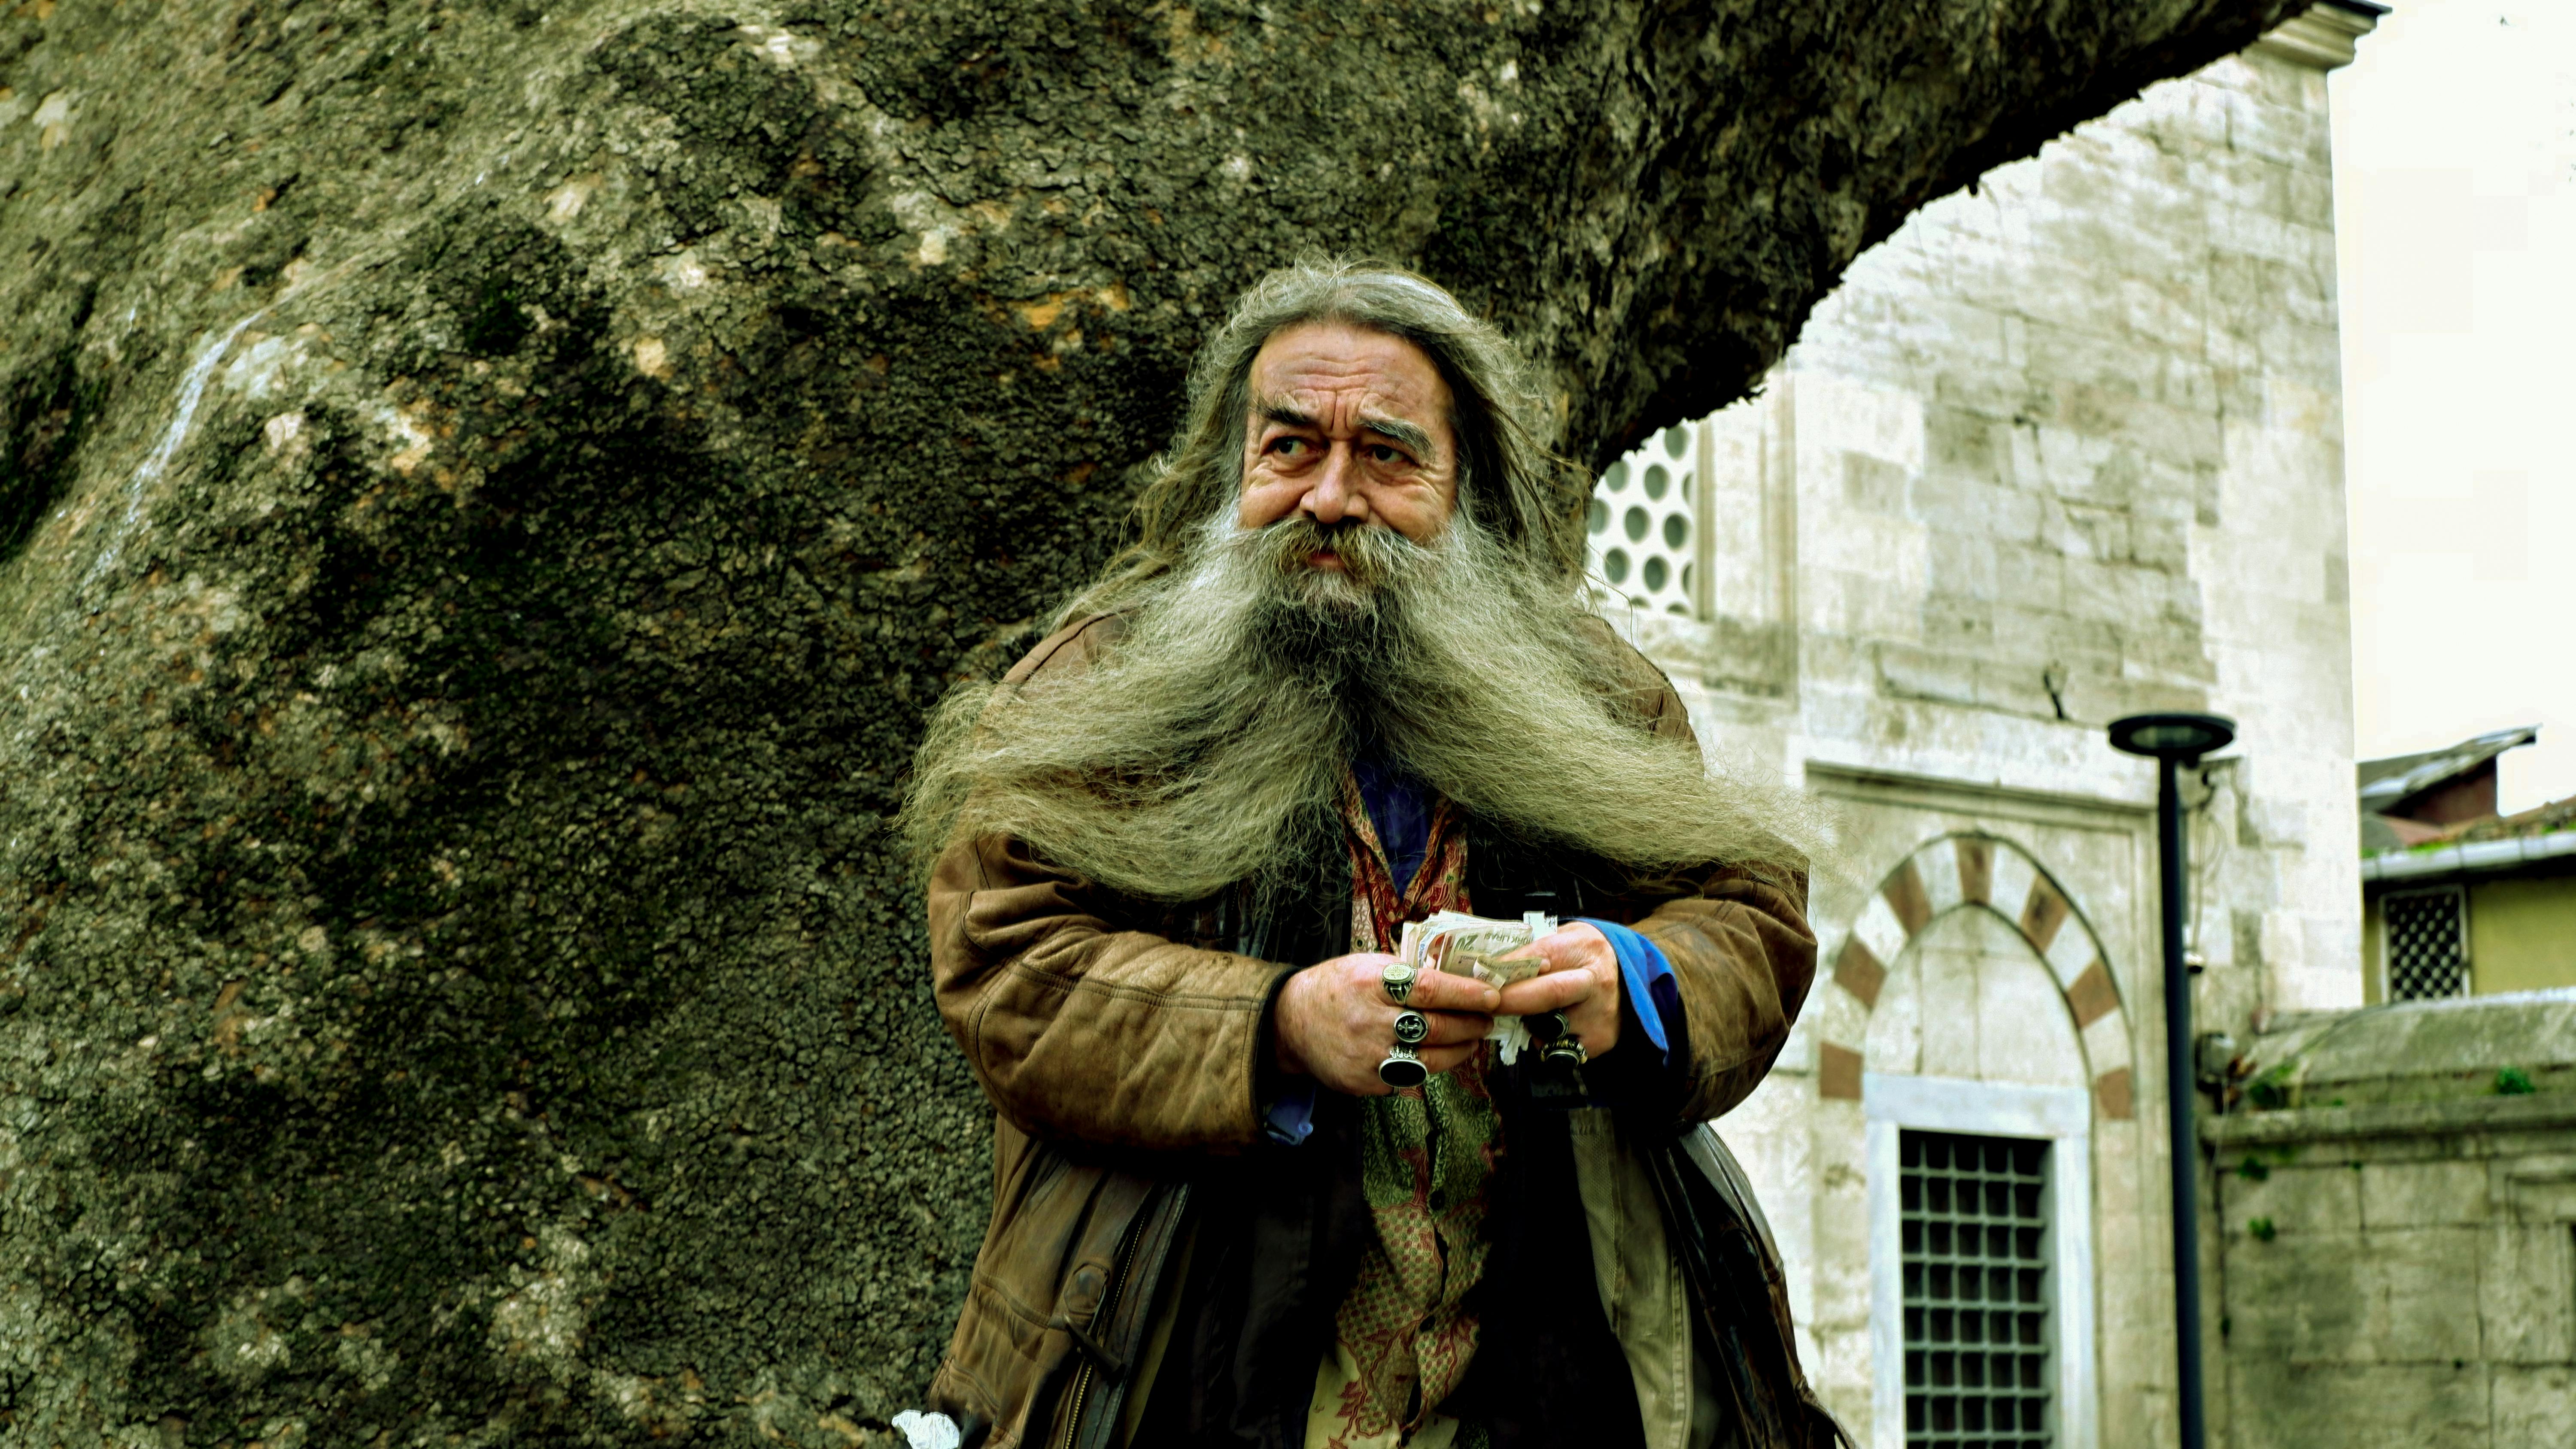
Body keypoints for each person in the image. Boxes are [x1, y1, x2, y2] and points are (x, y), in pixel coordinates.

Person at [902, 259, 1844, 1449]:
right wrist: (1275, 1026)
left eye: (1389, 457)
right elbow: (1005, 965)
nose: (1331, 497)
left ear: (1471, 496)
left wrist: (1633, 984)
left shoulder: (1599, 699)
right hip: (1171, 1395)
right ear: (1226, 473)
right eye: (1290, 448)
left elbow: (1747, 918)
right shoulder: (1100, 686)